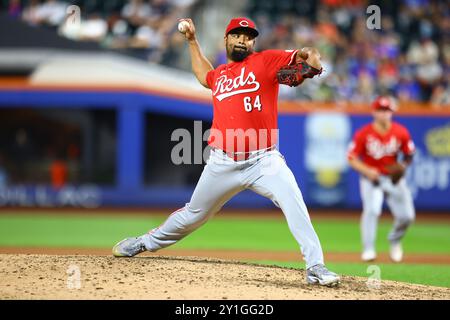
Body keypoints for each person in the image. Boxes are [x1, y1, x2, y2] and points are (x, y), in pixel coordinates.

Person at [113, 17, 340, 286]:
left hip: (264, 160)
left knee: (295, 204)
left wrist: (311, 57)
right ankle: (143, 242)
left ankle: (315, 265)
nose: (243, 39)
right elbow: (203, 75)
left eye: (248, 36)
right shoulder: (219, 75)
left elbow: (307, 57)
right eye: (237, 34)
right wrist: (192, 41)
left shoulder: (266, 61)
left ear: (253, 42)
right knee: (193, 215)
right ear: (227, 39)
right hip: (222, 161)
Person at [347, 96, 416, 262]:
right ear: (374, 112)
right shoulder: (364, 133)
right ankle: (368, 249)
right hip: (372, 179)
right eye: (381, 110)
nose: (384, 114)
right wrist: (367, 170)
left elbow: (409, 154)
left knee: (407, 216)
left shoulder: (401, 131)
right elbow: (351, 157)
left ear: (391, 113)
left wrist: (403, 167)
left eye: (387, 111)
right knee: (372, 211)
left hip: (393, 178)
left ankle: (395, 240)